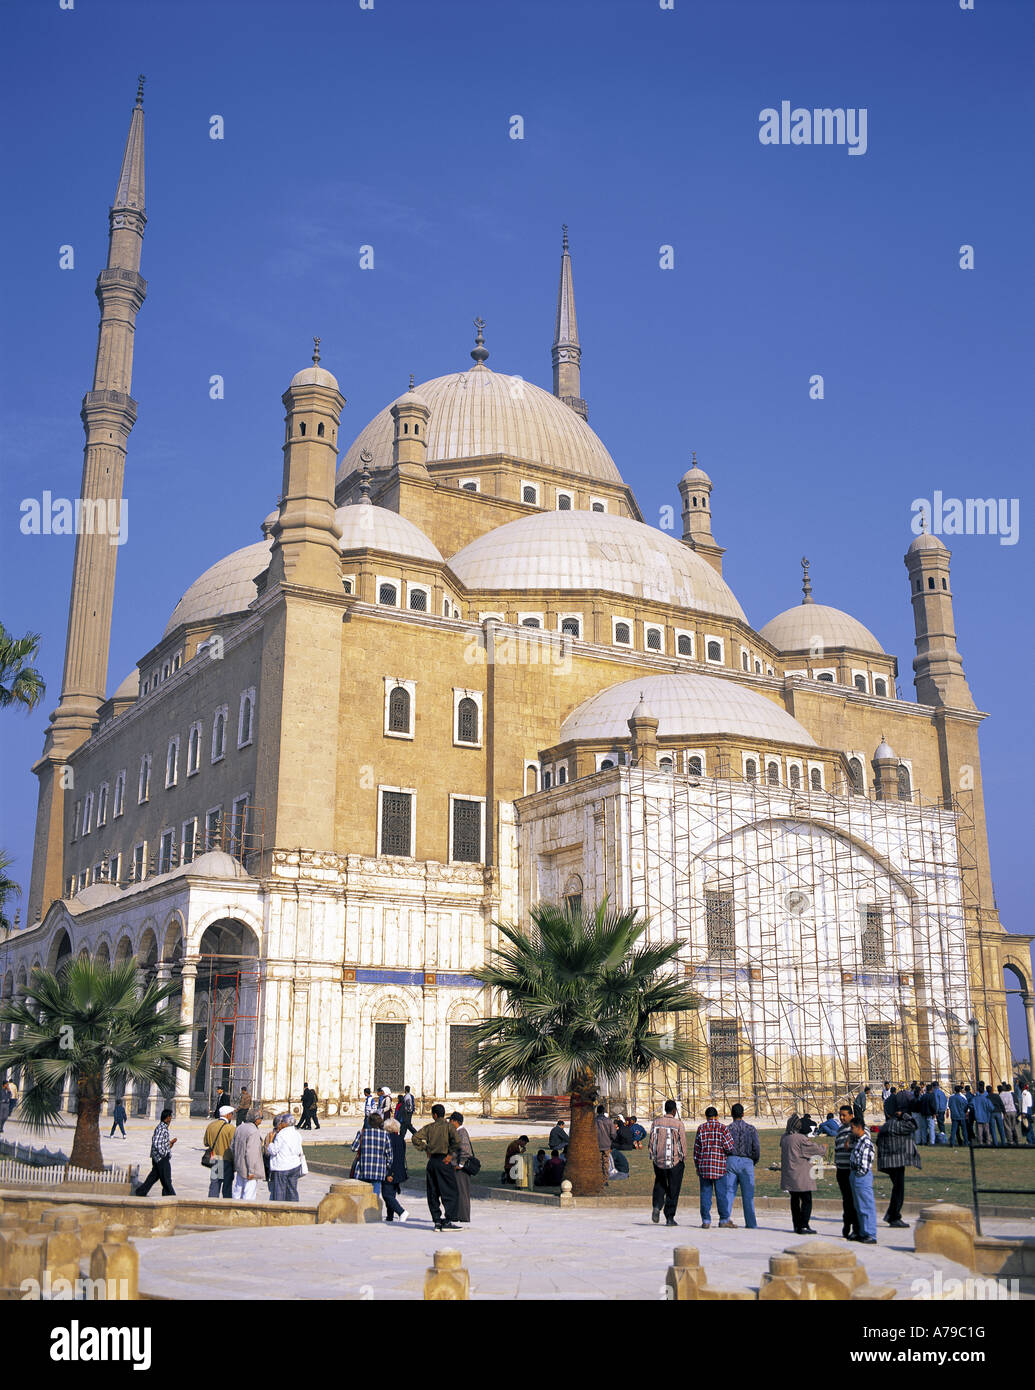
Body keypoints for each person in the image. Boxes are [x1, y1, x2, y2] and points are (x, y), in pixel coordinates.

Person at [412, 1103, 461, 1230]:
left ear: (434, 1115)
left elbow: (415, 1138)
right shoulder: (450, 1127)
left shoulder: (429, 1127)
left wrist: (426, 1148)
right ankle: (448, 1220)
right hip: (444, 1161)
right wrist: (450, 1154)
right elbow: (457, 1142)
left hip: (432, 1161)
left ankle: (437, 1220)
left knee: (433, 1192)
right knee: (450, 1191)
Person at [351, 1113, 407, 1220]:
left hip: (363, 1168)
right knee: (375, 1193)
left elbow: (353, 1148)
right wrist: (387, 1167)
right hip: (378, 1170)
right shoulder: (384, 1135)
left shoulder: (362, 1133)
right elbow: (389, 1155)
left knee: (363, 1192)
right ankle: (373, 1214)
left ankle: (362, 1213)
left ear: (368, 1122)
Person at [779, 1114, 825, 1235]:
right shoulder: (800, 1139)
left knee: (794, 1200)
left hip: (789, 1175)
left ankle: (797, 1225)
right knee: (806, 1200)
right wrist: (823, 1148)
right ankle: (804, 1225)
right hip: (801, 1175)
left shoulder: (784, 1138)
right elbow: (815, 1151)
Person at [876, 1107, 919, 1228]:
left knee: (897, 1189)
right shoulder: (897, 1125)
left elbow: (878, 1142)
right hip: (896, 1161)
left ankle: (891, 1215)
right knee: (899, 1190)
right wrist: (905, 1115)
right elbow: (914, 1125)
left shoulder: (886, 1125)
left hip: (887, 1162)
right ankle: (894, 1216)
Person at [694, 1106, 734, 1229]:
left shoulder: (701, 1128)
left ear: (706, 1117)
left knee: (705, 1194)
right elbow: (729, 1147)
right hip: (719, 1166)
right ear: (717, 1116)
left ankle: (706, 1220)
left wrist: (697, 1165)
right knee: (721, 1194)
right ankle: (724, 1219)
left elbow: (697, 1150)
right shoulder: (722, 1128)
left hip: (704, 1166)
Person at [649, 1099, 687, 1227]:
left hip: (659, 1161)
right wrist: (683, 1157)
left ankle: (657, 1205)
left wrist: (653, 1156)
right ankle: (669, 1217)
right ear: (674, 1111)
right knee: (673, 1188)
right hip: (674, 1161)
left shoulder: (656, 1122)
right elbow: (682, 1144)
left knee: (660, 1183)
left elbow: (652, 1141)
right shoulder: (678, 1124)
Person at [724, 1102, 760, 1229]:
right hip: (747, 1161)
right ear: (743, 1114)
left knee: (729, 1192)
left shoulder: (727, 1129)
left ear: (731, 1114)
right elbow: (756, 1148)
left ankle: (725, 1219)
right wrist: (753, 1161)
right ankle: (751, 1223)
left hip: (731, 1160)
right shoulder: (751, 1129)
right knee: (748, 1195)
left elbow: (724, 1147)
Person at [848, 1116, 878, 1243]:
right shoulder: (859, 1141)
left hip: (861, 1176)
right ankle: (862, 1231)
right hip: (856, 1175)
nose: (851, 1130)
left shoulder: (866, 1143)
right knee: (859, 1206)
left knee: (866, 1205)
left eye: (852, 1127)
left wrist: (858, 1174)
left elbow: (864, 1165)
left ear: (859, 1127)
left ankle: (870, 1233)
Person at [135, 1108, 177, 1197]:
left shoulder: (163, 1127)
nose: (171, 1119)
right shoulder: (161, 1128)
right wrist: (164, 1152)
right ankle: (171, 1197)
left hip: (159, 1158)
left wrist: (170, 1144)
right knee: (167, 1180)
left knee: (153, 1177)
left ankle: (140, 1192)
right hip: (161, 1158)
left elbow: (161, 1142)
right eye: (170, 1117)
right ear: (167, 1118)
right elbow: (156, 1143)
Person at [833, 1104, 859, 1240]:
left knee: (853, 1201)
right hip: (841, 1170)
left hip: (851, 1170)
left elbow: (860, 1146)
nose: (842, 1118)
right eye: (840, 1115)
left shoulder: (855, 1129)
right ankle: (846, 1225)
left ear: (851, 1115)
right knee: (846, 1200)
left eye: (844, 1115)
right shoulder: (840, 1130)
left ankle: (855, 1228)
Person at [267, 1111, 305, 1201]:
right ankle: (294, 1209)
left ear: (285, 1124)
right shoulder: (297, 1134)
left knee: (280, 1191)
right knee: (292, 1190)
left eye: (282, 1122)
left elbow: (273, 1151)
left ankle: (280, 1210)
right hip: (295, 1165)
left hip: (282, 1166)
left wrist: (271, 1141)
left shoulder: (281, 1135)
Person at [232, 1106, 265, 1200]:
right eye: (261, 1118)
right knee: (248, 1195)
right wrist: (251, 1171)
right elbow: (251, 1153)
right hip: (249, 1169)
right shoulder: (253, 1131)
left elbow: (232, 1147)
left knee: (238, 1192)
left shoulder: (239, 1128)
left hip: (240, 1167)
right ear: (256, 1119)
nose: (261, 1121)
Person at [448, 1113, 476, 1222]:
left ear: (455, 1121)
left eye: (451, 1121)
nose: (450, 1123)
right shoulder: (458, 1132)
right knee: (458, 1192)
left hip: (461, 1169)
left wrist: (460, 1165)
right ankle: (457, 1215)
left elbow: (465, 1151)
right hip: (456, 1166)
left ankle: (463, 1216)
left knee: (462, 1192)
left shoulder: (461, 1133)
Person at [204, 1105, 236, 1198]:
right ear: (228, 1115)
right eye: (231, 1114)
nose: (232, 1116)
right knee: (227, 1187)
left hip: (215, 1158)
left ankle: (212, 1206)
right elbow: (234, 1146)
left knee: (214, 1185)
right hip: (226, 1160)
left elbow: (206, 1142)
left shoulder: (211, 1125)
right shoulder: (230, 1128)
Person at [382, 1118, 409, 1222]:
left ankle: (401, 1212)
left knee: (387, 1194)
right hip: (399, 1170)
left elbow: (388, 1156)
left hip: (390, 1170)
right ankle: (390, 1216)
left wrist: (388, 1173)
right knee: (391, 1193)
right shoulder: (401, 1139)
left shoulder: (387, 1139)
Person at [595, 1105, 616, 1185]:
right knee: (606, 1162)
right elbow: (613, 1134)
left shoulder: (594, 1121)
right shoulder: (609, 1121)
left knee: (599, 1161)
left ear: (597, 1111)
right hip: (607, 1144)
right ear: (604, 1111)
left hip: (597, 1144)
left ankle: (599, 1178)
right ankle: (605, 1179)